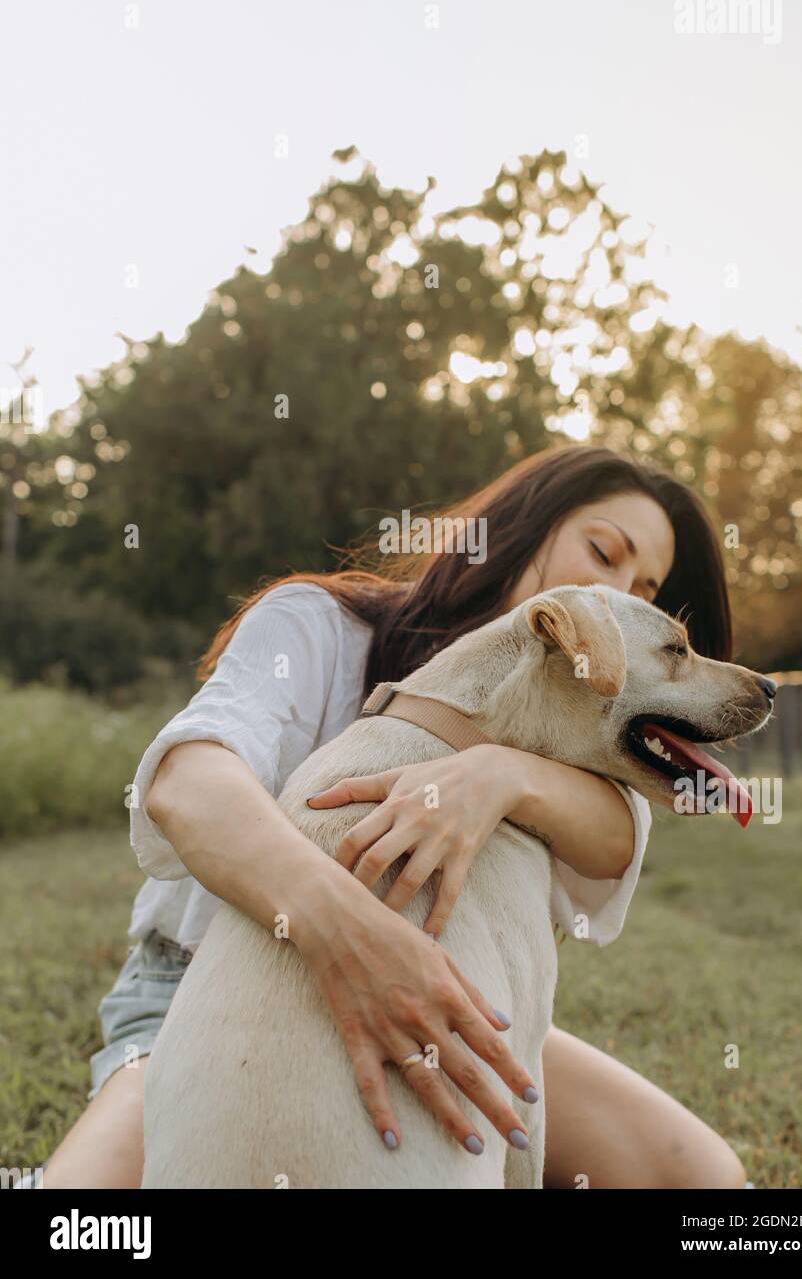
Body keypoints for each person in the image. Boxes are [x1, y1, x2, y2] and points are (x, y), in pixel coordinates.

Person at [39, 445, 749, 1189]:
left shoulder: (560, 732)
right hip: (195, 991)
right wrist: (355, 938)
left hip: (425, 993)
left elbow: (613, 838)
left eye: (644, 587)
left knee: (699, 1180)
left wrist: (500, 774)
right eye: (603, 552)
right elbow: (187, 786)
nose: (614, 593)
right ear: (524, 527)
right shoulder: (319, 626)